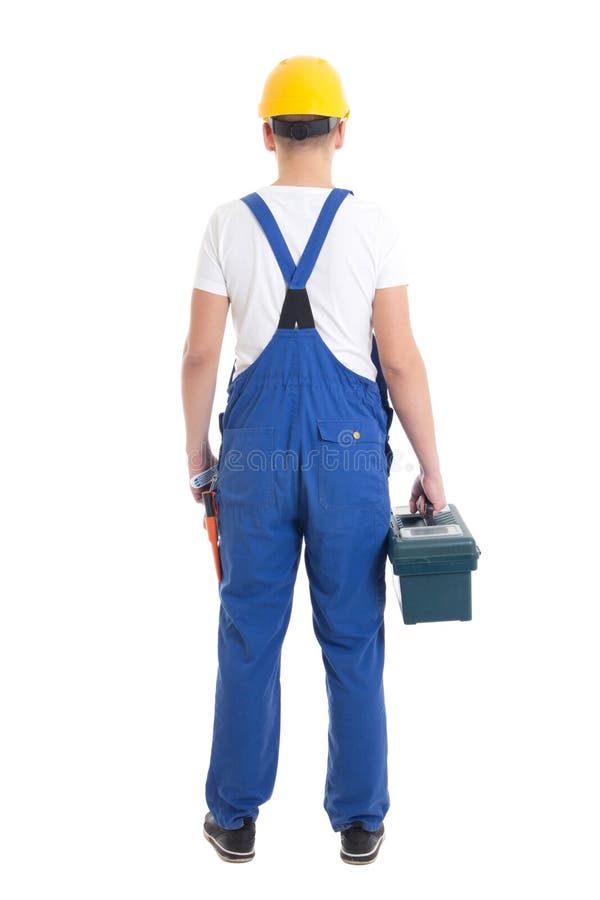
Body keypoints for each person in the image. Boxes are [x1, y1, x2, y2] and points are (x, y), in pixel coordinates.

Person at [181, 55, 447, 865]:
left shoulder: (228, 223)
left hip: (254, 459)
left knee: (248, 636)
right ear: (341, 132)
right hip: (351, 459)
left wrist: (200, 460)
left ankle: (233, 819)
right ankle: (360, 821)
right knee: (353, 638)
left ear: (266, 133)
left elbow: (199, 356)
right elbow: (397, 361)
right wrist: (433, 469)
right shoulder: (373, 227)